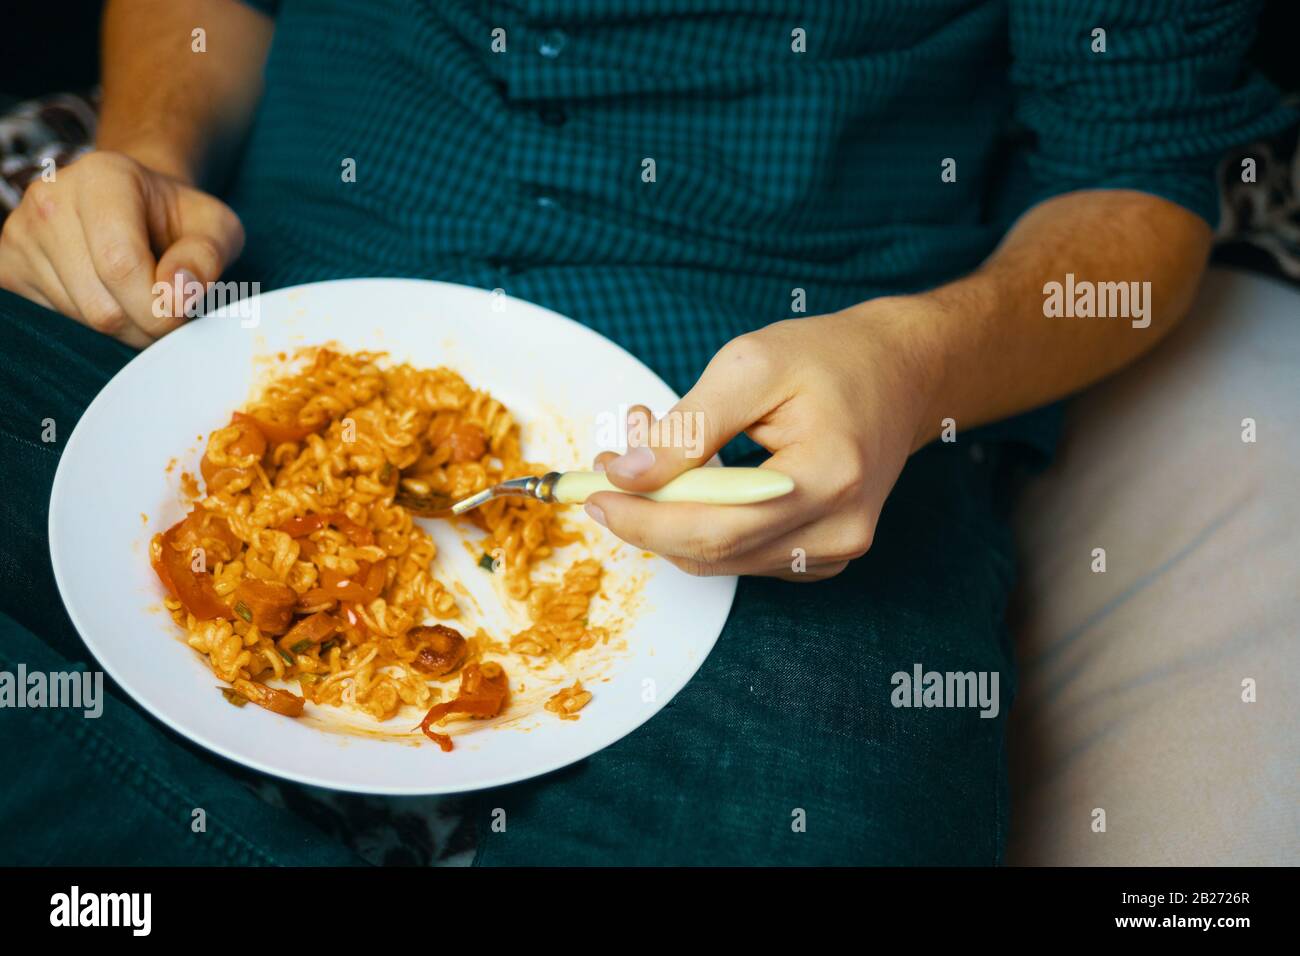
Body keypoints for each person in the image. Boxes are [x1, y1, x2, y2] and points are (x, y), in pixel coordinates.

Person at [0, 0, 1293, 865]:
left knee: (829, 820)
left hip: (768, 401)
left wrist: (918, 365)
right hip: (249, 302)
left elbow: (1140, 170)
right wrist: (148, 154)